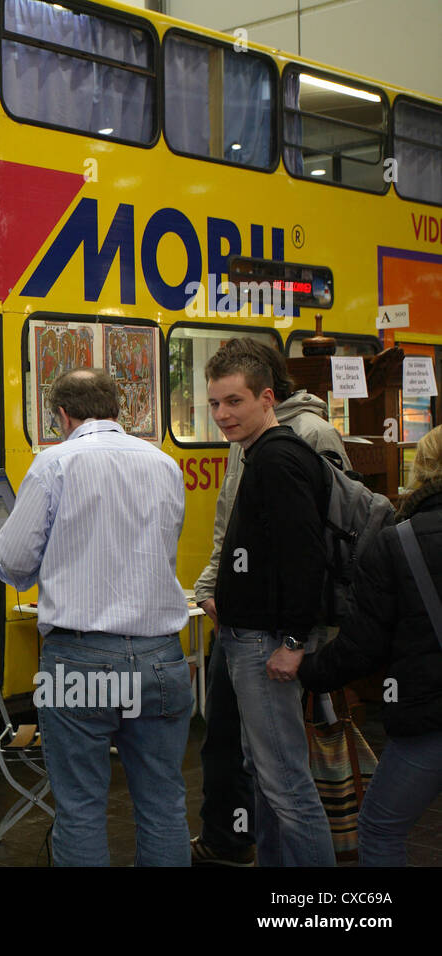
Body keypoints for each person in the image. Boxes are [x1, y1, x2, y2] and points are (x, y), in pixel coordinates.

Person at [0, 368, 191, 866]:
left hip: (78, 660)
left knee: (81, 807)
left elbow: (15, 561)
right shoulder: (165, 464)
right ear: (118, 409)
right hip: (162, 658)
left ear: (62, 414)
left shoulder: (54, 465)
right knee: (164, 804)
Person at [191, 337, 349, 866]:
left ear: (265, 399)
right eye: (214, 403)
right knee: (266, 779)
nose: (222, 415)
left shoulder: (278, 458)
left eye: (234, 402)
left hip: (264, 645)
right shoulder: (259, 453)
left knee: (286, 785)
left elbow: (305, 559)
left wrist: (292, 642)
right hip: (251, 638)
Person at [299, 425, 442, 865]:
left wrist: (305, 670)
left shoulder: (398, 543)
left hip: (428, 715)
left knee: (379, 827)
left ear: (422, 467)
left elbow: (362, 647)